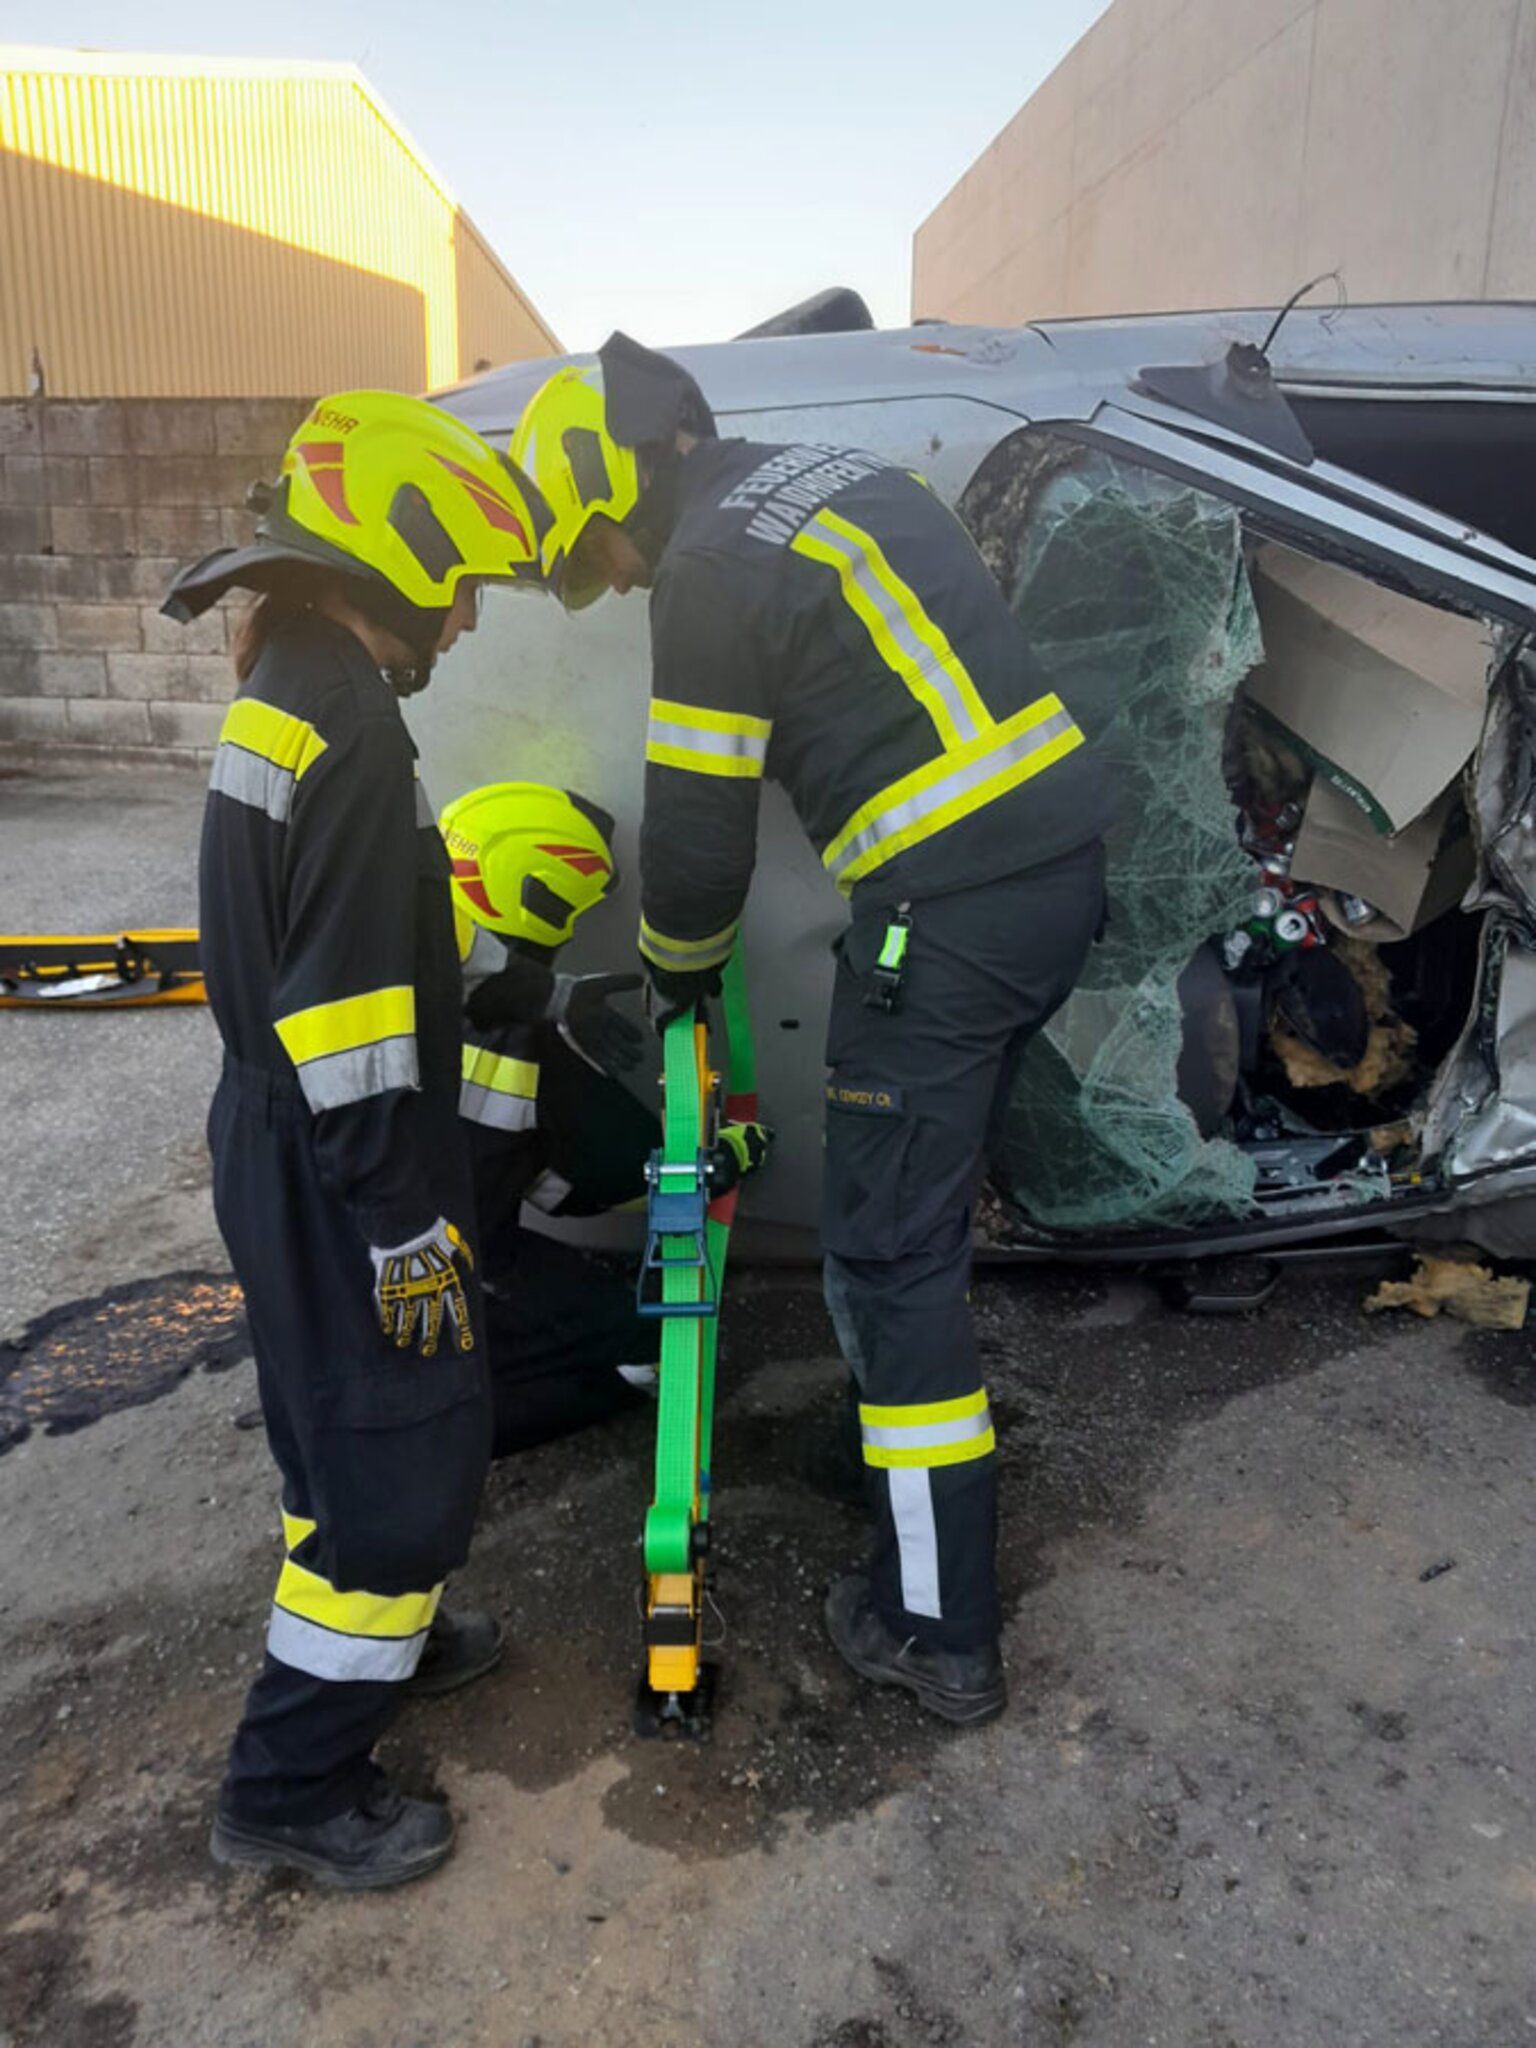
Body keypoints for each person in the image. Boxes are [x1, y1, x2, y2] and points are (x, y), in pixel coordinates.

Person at [510, 336, 1116, 1726]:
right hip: (1050, 877)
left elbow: (702, 842)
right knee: (910, 1210)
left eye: (592, 548)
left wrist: (671, 978)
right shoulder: (831, 480)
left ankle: (935, 1627)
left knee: (887, 1251)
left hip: (952, 911)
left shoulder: (710, 569)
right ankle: (891, 1455)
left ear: (619, 485)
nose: (606, 578)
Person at [162, 390, 549, 1888]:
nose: (460, 627)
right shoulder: (350, 724)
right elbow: (347, 1019)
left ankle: (394, 1637)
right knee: (399, 1450)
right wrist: (401, 1218)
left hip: (276, 1140)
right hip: (342, 1162)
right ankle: (292, 1784)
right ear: (401, 562)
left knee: (335, 1433)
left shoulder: (290, 688)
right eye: (458, 590)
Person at [441, 778, 771, 1451]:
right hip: (453, 1264)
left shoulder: (376, 969)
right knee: (648, 1346)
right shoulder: (530, 1051)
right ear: (539, 899)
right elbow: (622, 1176)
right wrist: (729, 1153)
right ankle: (449, 1425)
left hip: (336, 1258)